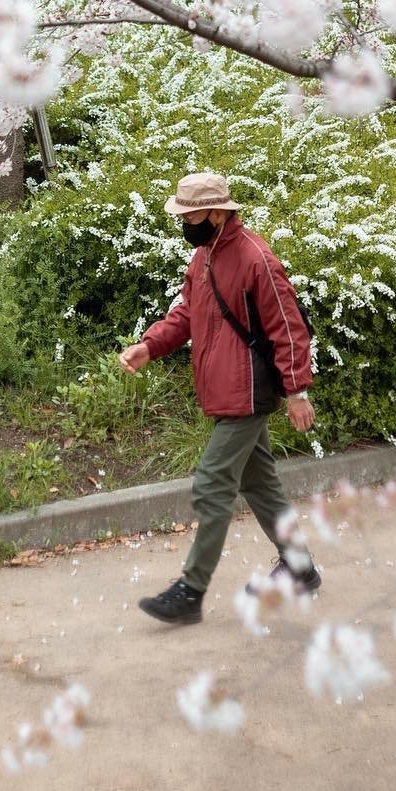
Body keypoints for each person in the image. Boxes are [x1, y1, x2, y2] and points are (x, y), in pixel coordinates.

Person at [118, 170, 321, 624]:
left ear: (215, 212)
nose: (185, 224)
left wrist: (297, 391)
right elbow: (189, 311)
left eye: (190, 216)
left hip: (247, 393)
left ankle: (190, 591)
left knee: (212, 484)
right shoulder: (205, 256)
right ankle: (300, 569)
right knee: (260, 484)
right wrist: (150, 345)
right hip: (224, 389)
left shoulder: (255, 258)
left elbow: (288, 328)